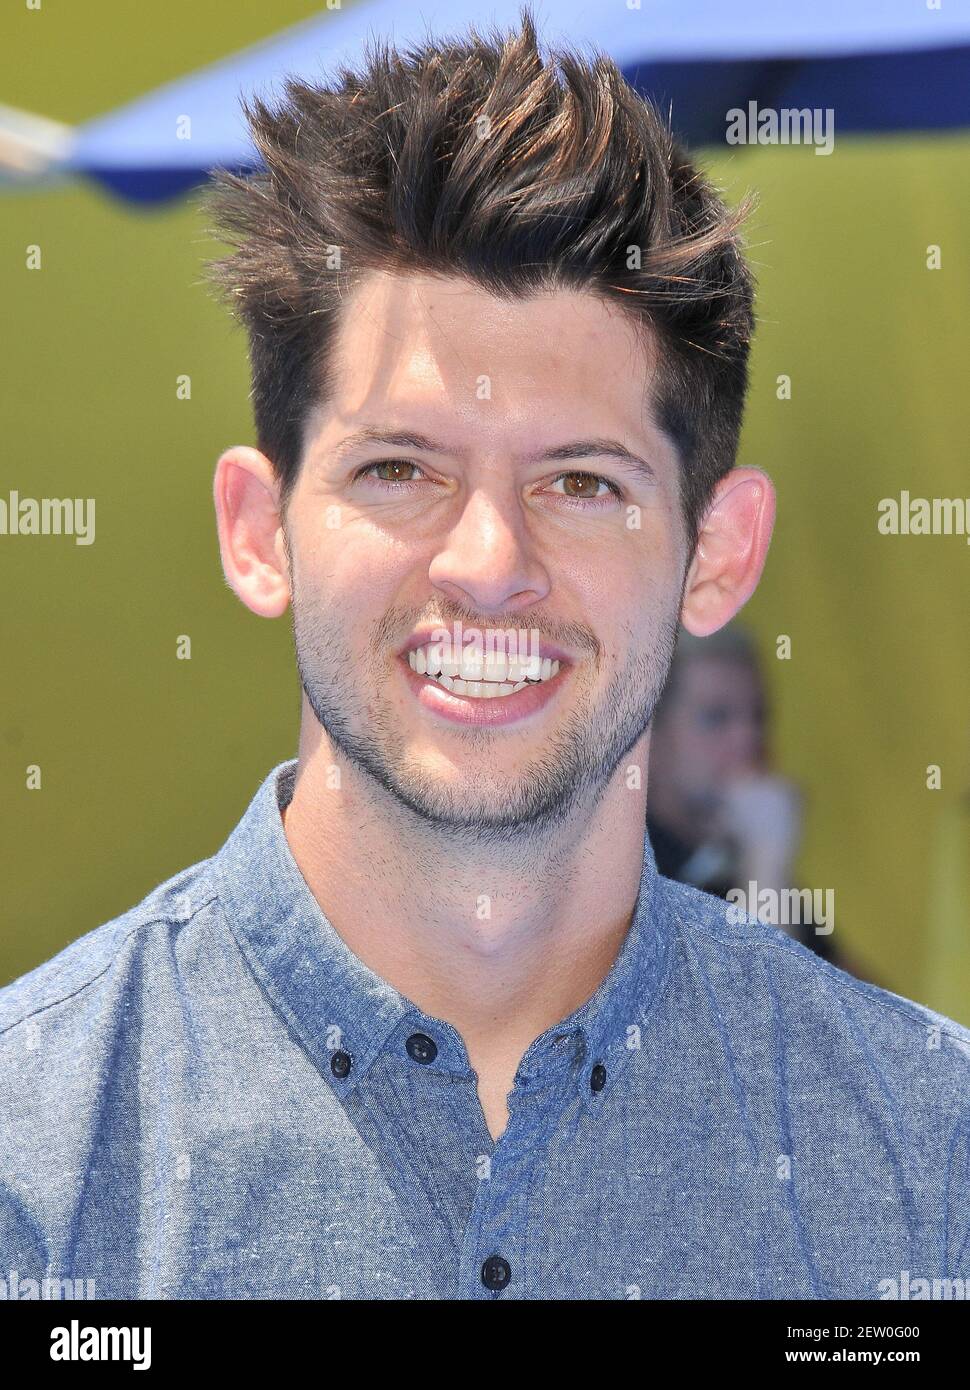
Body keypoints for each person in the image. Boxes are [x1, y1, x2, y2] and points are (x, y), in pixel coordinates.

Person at [1, 9, 967, 1301]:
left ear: (718, 554)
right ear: (256, 530)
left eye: (580, 481)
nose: (486, 561)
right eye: (397, 468)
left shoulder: (925, 1159)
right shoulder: (35, 1167)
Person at [646, 624, 860, 974]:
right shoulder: (621, 879)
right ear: (649, 736)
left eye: (758, 717)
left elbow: (875, 1014)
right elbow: (751, 1022)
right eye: (716, 717)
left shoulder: (732, 861)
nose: (749, 739)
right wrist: (767, 859)